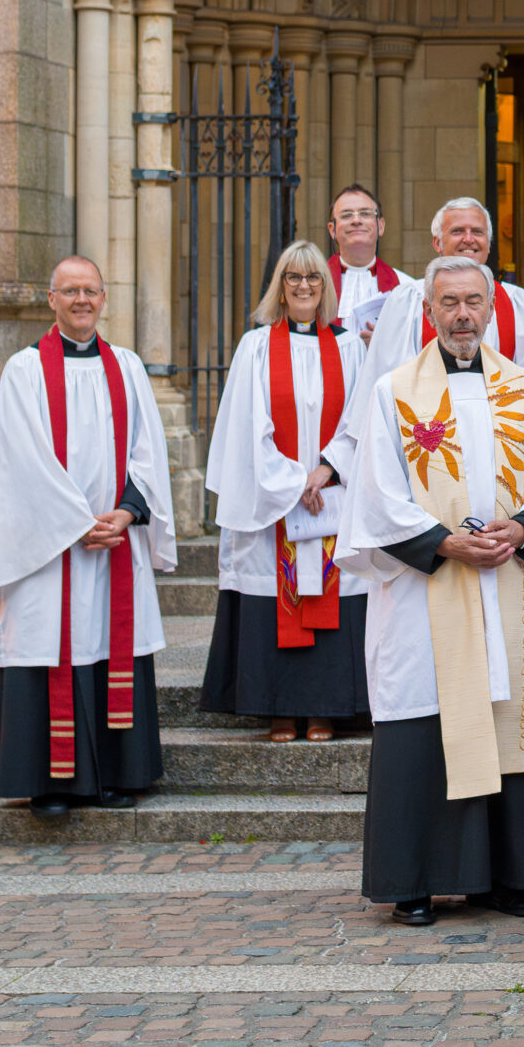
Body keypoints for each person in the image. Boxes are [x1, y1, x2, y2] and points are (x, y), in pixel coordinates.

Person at [339, 255, 524, 927]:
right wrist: (444, 542)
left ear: (493, 307)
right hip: (426, 592)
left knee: (509, 710)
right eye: (450, 303)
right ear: (430, 311)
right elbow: (377, 492)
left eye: (474, 301)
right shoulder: (394, 391)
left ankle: (508, 876)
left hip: (506, 580)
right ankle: (415, 879)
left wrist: (520, 528)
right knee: (424, 719)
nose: (463, 313)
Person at [0, 257, 176, 820]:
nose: (81, 300)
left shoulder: (127, 367)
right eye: (69, 291)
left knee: (108, 643)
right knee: (47, 643)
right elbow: (18, 459)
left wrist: (126, 512)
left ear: (104, 298)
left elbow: (149, 452)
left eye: (90, 291)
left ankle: (121, 773)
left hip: (113, 543)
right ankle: (49, 784)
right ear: (51, 299)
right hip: (46, 550)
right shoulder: (24, 370)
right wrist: (77, 523)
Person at [202, 241, 368, 745]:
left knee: (331, 596)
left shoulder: (348, 346)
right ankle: (278, 708)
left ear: (325, 286)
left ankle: (324, 709)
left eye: (312, 278)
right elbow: (246, 427)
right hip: (272, 501)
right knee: (275, 594)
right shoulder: (255, 346)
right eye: (293, 278)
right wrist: (293, 482)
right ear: (280, 285)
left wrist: (325, 469)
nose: (303, 286)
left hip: (331, 495)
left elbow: (359, 420)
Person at [353, 199, 524, 422]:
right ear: (437, 242)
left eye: (477, 231)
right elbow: (386, 381)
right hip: (425, 436)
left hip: (501, 437)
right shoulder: (407, 300)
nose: (469, 239)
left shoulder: (521, 304)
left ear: (489, 242)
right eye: (457, 231)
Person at [327, 184, 401, 342]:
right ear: (332, 230)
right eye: (346, 215)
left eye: (365, 213)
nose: (356, 220)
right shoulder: (315, 285)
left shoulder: (403, 286)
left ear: (380, 226)